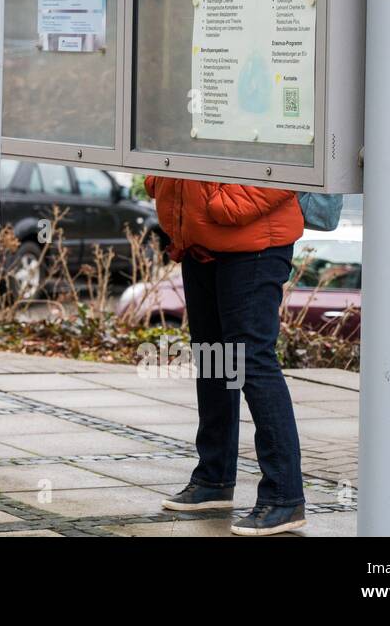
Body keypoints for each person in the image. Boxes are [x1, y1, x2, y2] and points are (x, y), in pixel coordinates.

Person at [144, 175, 307, 536]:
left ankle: (285, 497)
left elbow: (284, 164)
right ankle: (213, 478)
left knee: (252, 362)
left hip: (252, 244)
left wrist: (222, 202)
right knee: (214, 358)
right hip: (202, 240)